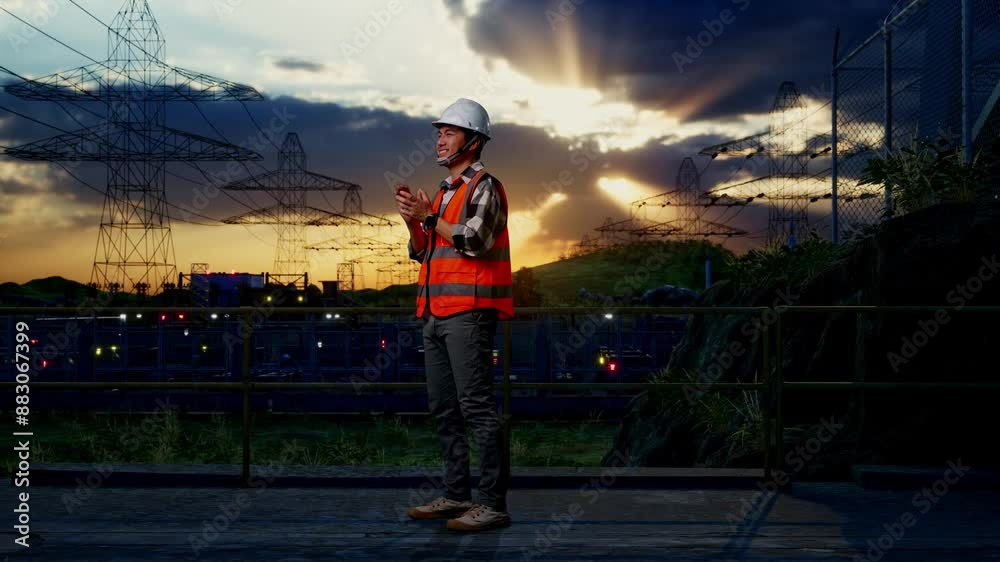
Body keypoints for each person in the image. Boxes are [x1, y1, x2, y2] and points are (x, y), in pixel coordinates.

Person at [394, 98, 514, 532]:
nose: (440, 139)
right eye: (438, 133)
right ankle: (457, 495)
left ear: (474, 140)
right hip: (435, 312)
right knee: (444, 408)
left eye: (449, 132)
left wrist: (430, 217)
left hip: (469, 312)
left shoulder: (485, 186)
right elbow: (423, 251)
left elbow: (473, 240)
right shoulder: (444, 192)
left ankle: (492, 503)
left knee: (477, 408)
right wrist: (414, 220)